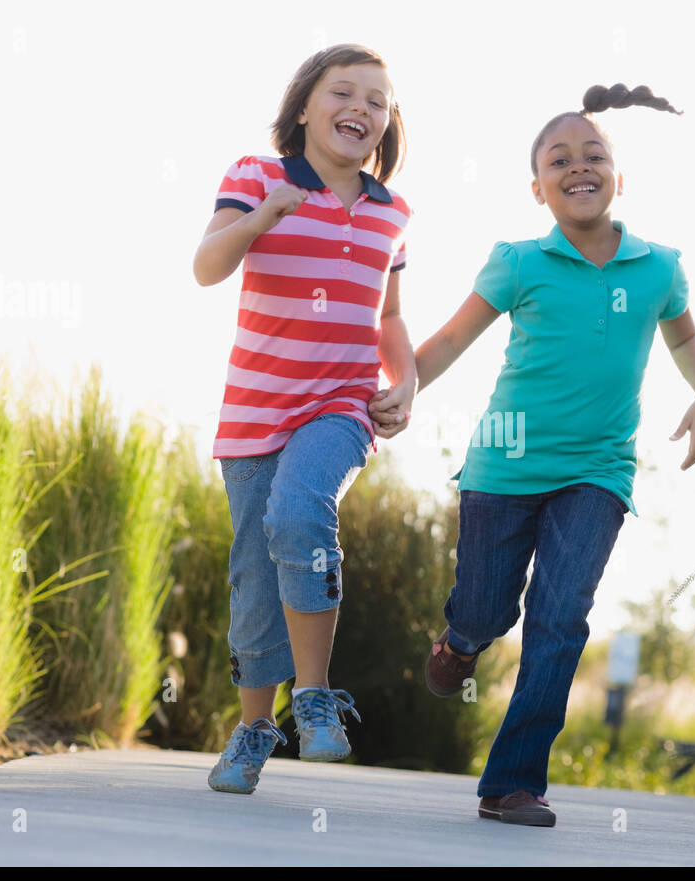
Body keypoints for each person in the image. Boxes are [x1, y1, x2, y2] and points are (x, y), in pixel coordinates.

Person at [370, 83, 695, 826]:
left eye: (594, 154)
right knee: (488, 608)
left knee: (560, 616)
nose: (578, 166)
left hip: (597, 471)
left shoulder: (658, 268)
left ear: (619, 177)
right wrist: (404, 388)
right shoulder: (519, 262)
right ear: (538, 188)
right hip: (503, 467)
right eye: (558, 159)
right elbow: (452, 339)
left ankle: (513, 782)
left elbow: (685, 339)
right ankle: (461, 639)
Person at [194, 43, 415, 794]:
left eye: (377, 101)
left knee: (300, 511)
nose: (360, 108)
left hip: (340, 407)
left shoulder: (393, 212)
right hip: (254, 413)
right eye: (343, 92)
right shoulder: (258, 176)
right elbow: (207, 265)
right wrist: (261, 218)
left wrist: (407, 381)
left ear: (387, 125)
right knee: (254, 578)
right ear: (303, 107)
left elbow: (388, 319)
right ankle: (257, 726)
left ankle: (314, 697)